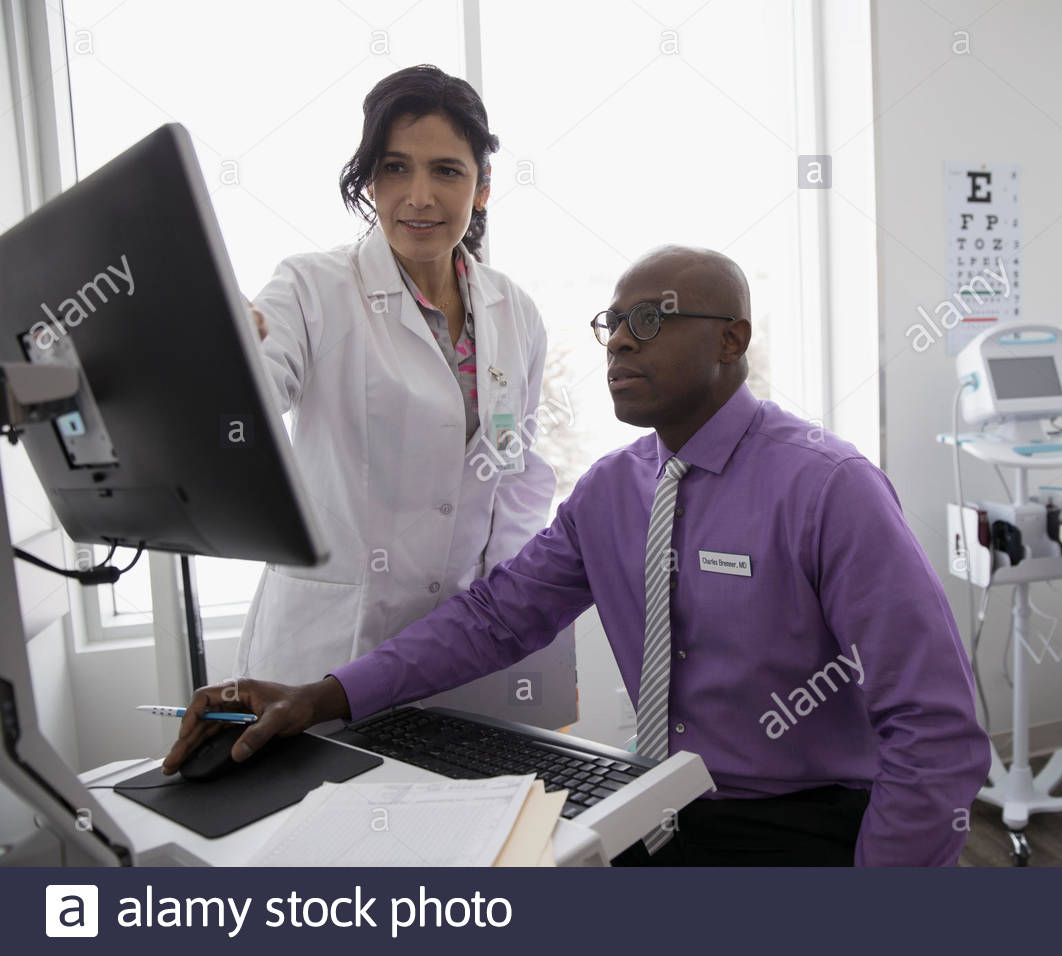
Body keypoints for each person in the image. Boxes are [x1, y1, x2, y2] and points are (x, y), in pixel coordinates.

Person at [167, 246, 991, 867]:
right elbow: (495, 619)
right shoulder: (613, 491)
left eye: (652, 321)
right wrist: (319, 698)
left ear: (732, 340)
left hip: (809, 820)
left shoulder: (827, 487)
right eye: (612, 325)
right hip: (657, 806)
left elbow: (938, 730)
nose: (620, 344)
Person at [233, 65, 556, 685]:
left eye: (446, 170)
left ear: (482, 186)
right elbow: (254, 399)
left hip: (460, 642)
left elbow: (515, 474)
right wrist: (230, 355)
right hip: (329, 643)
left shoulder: (513, 311)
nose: (419, 197)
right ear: (371, 180)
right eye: (395, 167)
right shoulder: (311, 287)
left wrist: (516, 621)